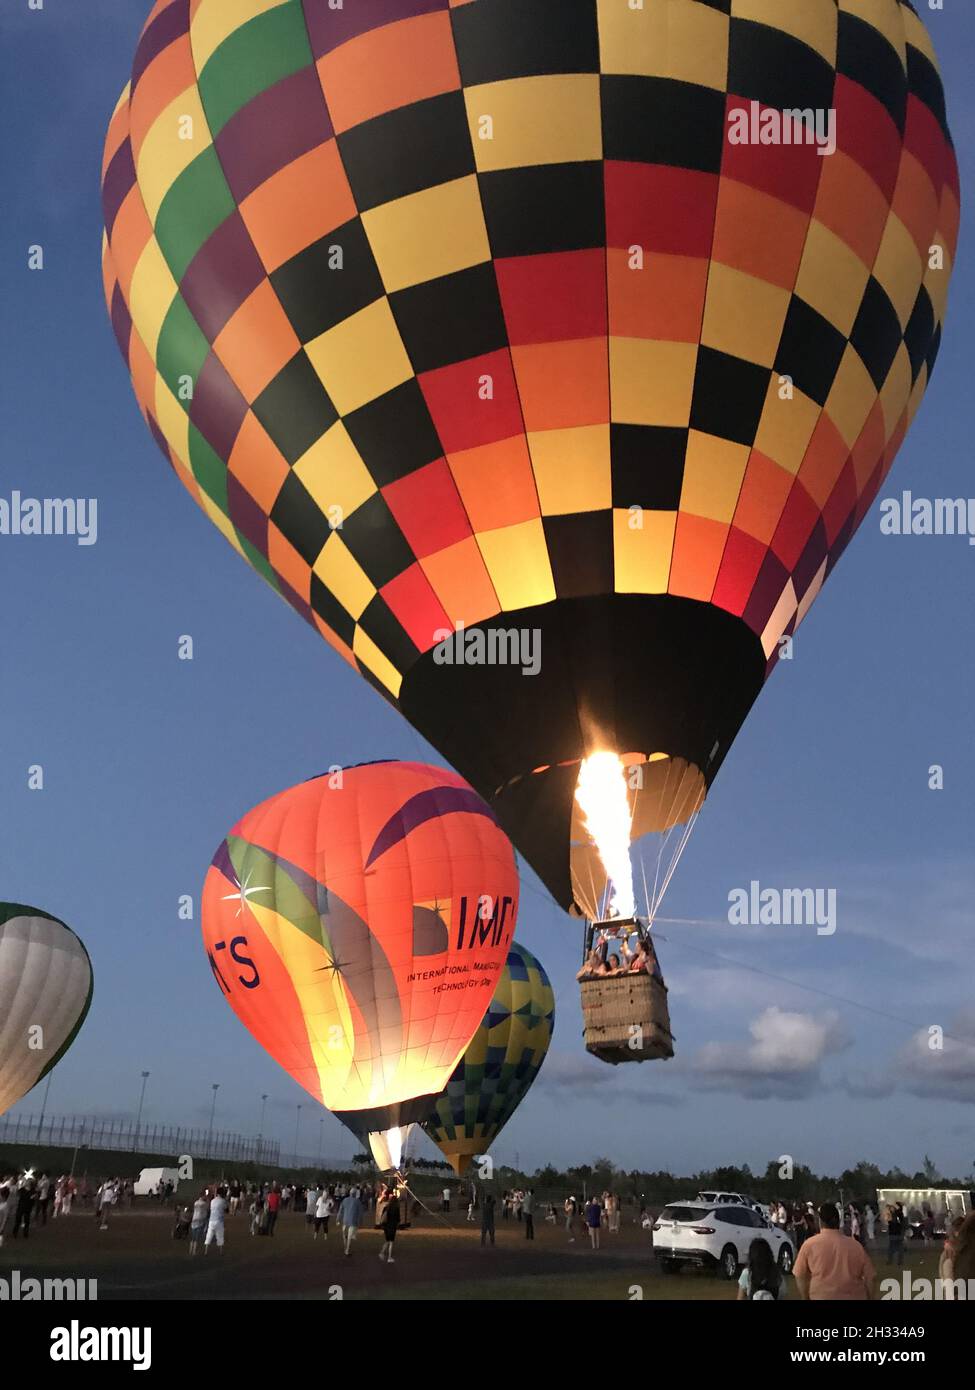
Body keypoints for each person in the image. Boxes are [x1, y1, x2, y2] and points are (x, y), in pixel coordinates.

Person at [793, 1202, 877, 1300]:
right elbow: (870, 1276)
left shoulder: (809, 1245)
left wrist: (805, 1297)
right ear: (838, 1221)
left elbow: (799, 1274)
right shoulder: (855, 1246)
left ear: (820, 1222)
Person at [339, 1189, 363, 1255]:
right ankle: (347, 1250)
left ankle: (345, 1246)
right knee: (349, 1236)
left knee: (344, 1234)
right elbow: (360, 1213)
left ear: (349, 1193)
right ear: (355, 1194)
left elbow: (341, 1209)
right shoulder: (357, 1201)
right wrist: (360, 1222)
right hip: (353, 1221)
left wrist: (338, 1218)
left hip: (345, 1220)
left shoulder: (345, 1200)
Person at [204, 1186, 227, 1254]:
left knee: (209, 1235)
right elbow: (226, 1208)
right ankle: (220, 1252)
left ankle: (206, 1251)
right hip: (219, 1221)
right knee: (220, 1236)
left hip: (211, 1220)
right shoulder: (223, 1201)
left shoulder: (212, 1201)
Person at [379, 1192, 400, 1264]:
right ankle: (389, 1257)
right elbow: (398, 1219)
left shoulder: (386, 1207)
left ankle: (382, 1253)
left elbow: (382, 1216)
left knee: (387, 1240)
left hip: (386, 1226)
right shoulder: (396, 1208)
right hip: (392, 1226)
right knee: (391, 1242)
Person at [189, 1191, 209, 1256]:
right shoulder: (204, 1203)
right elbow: (206, 1211)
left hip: (194, 1219)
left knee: (193, 1237)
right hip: (200, 1220)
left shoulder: (196, 1202)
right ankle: (194, 1251)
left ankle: (191, 1250)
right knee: (196, 1238)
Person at [886, 1203, 905, 1267]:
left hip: (894, 1233)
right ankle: (899, 1261)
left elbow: (889, 1221)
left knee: (891, 1248)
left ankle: (890, 1260)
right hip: (897, 1233)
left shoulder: (894, 1214)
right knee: (899, 1248)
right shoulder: (900, 1214)